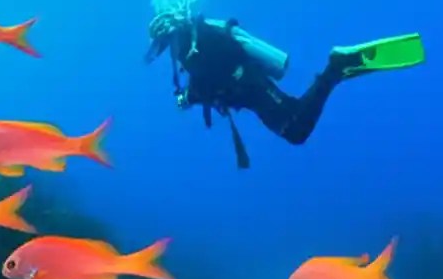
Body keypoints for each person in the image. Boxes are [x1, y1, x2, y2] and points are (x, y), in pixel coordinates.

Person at [145, 12, 425, 168]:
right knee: (295, 128)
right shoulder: (195, 39)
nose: (164, 52)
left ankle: (336, 66)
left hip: (252, 87)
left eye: (161, 45)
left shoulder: (189, 48)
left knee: (296, 129)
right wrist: (193, 96)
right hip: (250, 90)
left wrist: (189, 98)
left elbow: (206, 81)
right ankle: (335, 71)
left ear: (165, 35)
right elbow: (209, 78)